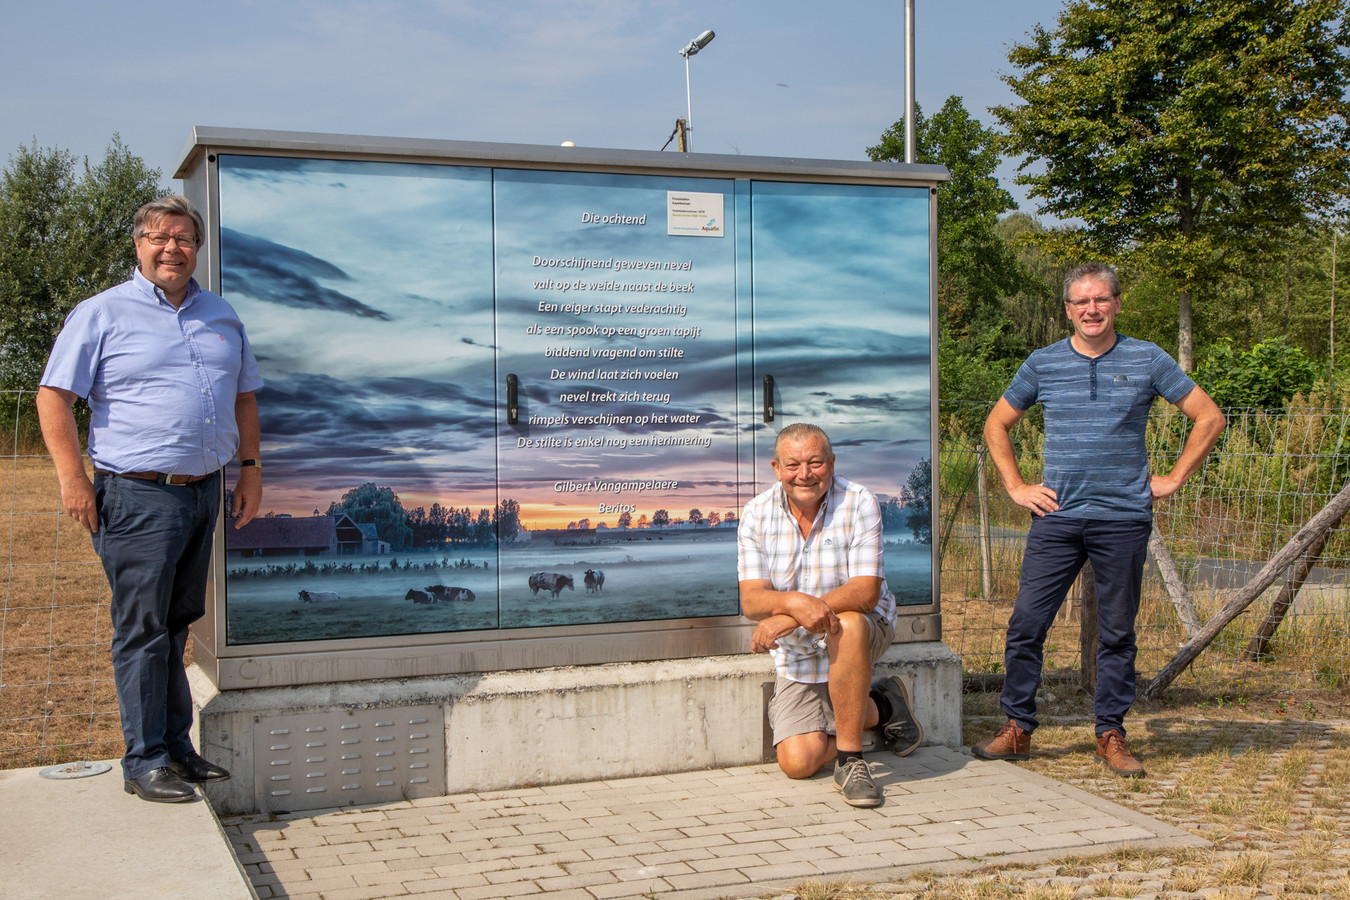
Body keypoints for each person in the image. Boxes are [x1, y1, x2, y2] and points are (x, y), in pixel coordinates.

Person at [37, 195, 263, 803]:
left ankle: (177, 748)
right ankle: (143, 761)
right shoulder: (102, 313)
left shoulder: (222, 315)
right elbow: (53, 396)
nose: (172, 248)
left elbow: (244, 399)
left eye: (184, 238)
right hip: (137, 496)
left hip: (204, 491)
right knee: (141, 627)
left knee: (178, 621)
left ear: (198, 247)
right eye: (159, 237)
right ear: (138, 245)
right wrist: (73, 479)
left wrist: (250, 469)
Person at [973, 262, 1225, 778]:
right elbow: (996, 424)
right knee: (1026, 625)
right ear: (1067, 309)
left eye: (1101, 299)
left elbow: (1209, 416)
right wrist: (1016, 487)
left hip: (1123, 518)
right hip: (1058, 518)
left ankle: (1110, 733)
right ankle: (1017, 728)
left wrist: (1174, 478)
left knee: (1116, 633)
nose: (1091, 309)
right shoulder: (1043, 363)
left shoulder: (1147, 357)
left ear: (1115, 303)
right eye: (1081, 302)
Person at [738, 423, 923, 808]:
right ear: (776, 468)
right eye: (792, 465)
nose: (804, 474)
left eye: (815, 462)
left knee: (851, 622)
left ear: (832, 463)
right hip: (800, 652)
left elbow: (865, 592)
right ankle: (883, 706)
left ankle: (850, 762)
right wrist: (793, 605)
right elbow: (752, 601)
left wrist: (790, 615)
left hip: (861, 626)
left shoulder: (859, 502)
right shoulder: (755, 514)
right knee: (797, 762)